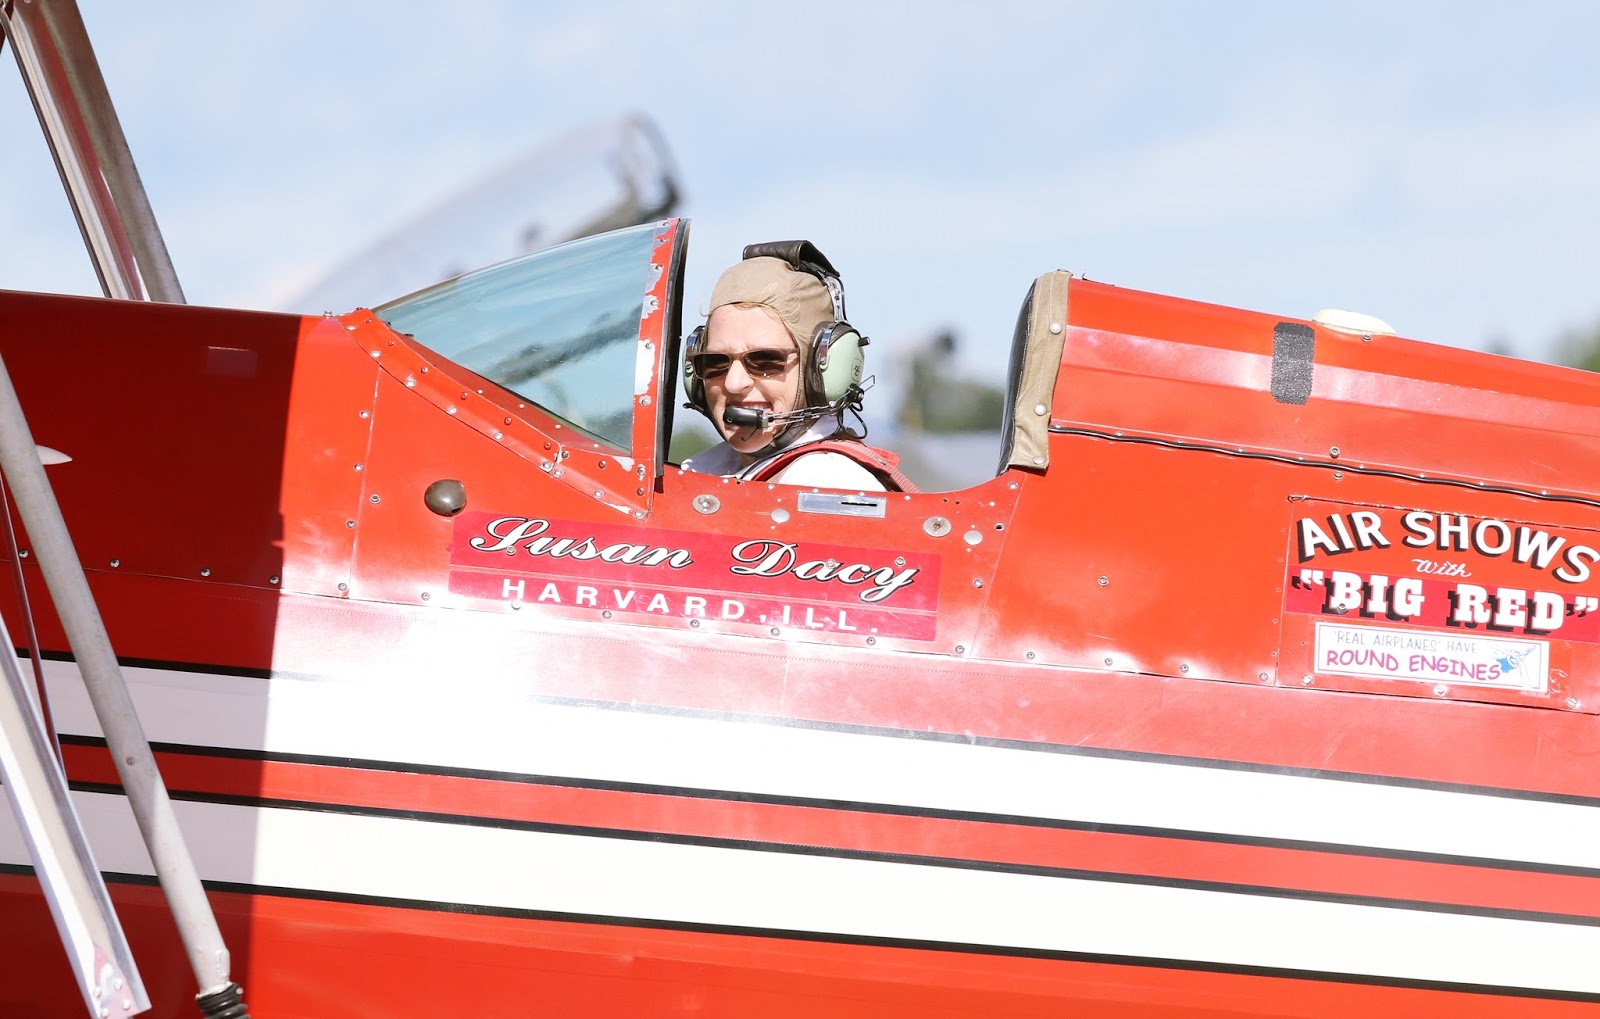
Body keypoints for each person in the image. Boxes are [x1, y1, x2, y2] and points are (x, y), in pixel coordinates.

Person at [679, 242, 917, 492]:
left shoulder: (830, 485)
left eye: (765, 361)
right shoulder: (700, 471)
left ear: (823, 369)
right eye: (714, 362)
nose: (733, 383)